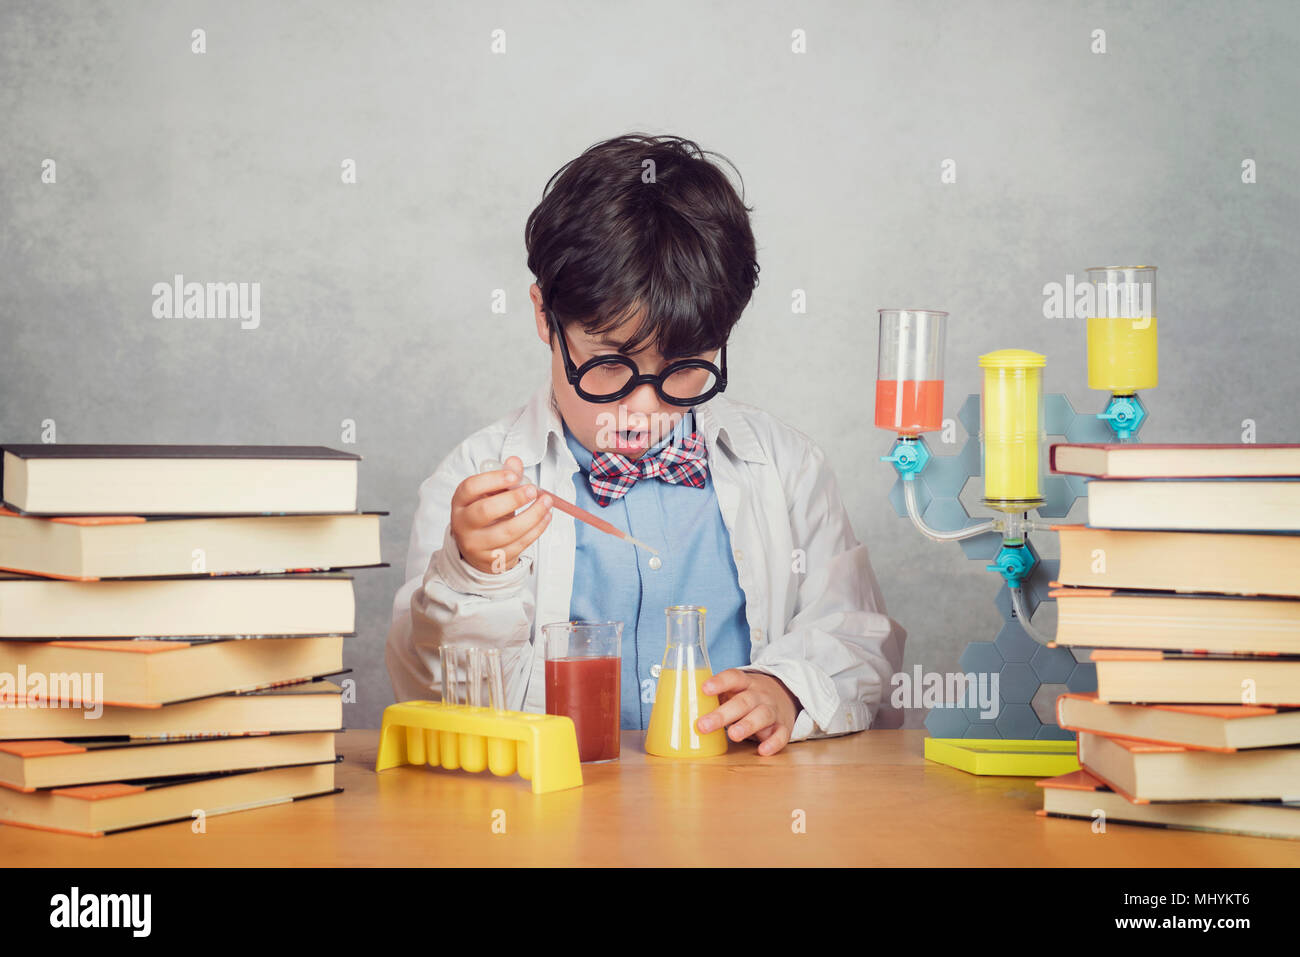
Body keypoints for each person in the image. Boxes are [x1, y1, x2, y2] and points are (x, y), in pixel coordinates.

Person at [386, 133, 905, 755]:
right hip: (554, 814)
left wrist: (788, 689)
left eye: (685, 369)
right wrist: (473, 578)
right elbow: (434, 694)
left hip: (744, 812)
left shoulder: (786, 467)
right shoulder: (477, 479)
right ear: (543, 316)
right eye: (609, 366)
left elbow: (855, 637)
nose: (644, 409)